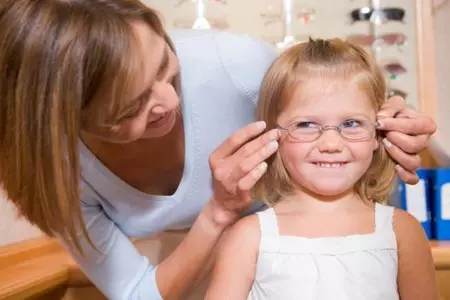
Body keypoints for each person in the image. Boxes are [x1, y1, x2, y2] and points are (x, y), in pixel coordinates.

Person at [0, 1, 436, 299]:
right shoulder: (55, 175)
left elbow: (333, 99)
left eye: (167, 69)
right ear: (63, 121)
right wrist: (219, 214)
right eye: (132, 106)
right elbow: (137, 292)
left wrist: (391, 118)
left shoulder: (237, 64)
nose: (171, 102)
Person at [205, 38, 439, 300]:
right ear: (273, 136)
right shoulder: (248, 238)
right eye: (306, 124)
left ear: (378, 132)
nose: (330, 143)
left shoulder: (402, 232)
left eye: (351, 123)